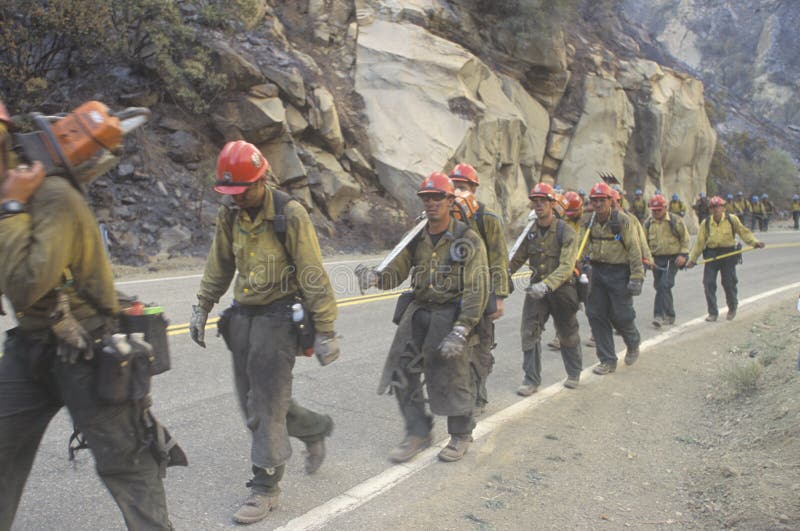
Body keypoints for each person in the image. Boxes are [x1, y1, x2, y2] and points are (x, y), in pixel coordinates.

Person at [0, 100, 177, 530]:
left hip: (88, 348)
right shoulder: (14, 190)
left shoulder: (50, 195)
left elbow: (25, 283)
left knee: (129, 466)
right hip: (32, 348)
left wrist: (11, 210)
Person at [189, 141, 339, 524]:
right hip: (243, 319)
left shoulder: (290, 213)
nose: (237, 199)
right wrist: (202, 305)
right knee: (251, 402)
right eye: (230, 193)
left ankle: (265, 487)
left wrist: (325, 328)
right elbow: (219, 263)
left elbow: (312, 272)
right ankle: (314, 428)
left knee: (266, 404)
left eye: (243, 191)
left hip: (277, 319)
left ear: (261, 180)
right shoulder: (231, 213)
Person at [356, 172, 488, 463]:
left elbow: (476, 288)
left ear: (450, 200)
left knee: (454, 377)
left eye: (437, 197)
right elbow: (396, 273)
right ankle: (418, 431)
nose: (430, 203)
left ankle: (461, 434)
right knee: (401, 371)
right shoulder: (417, 236)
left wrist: (462, 329)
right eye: (426, 198)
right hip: (418, 312)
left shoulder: (467, 239)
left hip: (450, 314)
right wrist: (375, 277)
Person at [508, 183, 582, 393]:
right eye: (535, 202)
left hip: (561, 289)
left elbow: (567, 266)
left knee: (567, 332)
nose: (538, 205)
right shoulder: (529, 232)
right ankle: (531, 380)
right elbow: (516, 259)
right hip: (536, 291)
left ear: (552, 204)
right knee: (529, 332)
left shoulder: (565, 231)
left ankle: (574, 372)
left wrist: (546, 285)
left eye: (543, 201)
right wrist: (501, 275)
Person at [449, 163, 509, 416]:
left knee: (481, 348)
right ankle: (457, 392)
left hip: (482, 292)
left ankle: (479, 397)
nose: (458, 191)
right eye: (454, 186)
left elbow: (499, 259)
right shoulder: (447, 215)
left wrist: (499, 297)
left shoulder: (487, 218)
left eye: (463, 187)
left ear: (474, 188)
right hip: (454, 292)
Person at [585, 182, 644, 375]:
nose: (598, 204)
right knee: (596, 314)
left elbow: (634, 249)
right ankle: (607, 360)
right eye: (595, 200)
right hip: (597, 271)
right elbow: (581, 246)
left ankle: (633, 342)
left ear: (611, 200)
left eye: (602, 200)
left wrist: (637, 277)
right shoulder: (589, 222)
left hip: (619, 272)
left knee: (622, 315)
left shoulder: (622, 221)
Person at [687, 195, 765, 322]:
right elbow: (699, 243)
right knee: (708, 283)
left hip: (728, 254)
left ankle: (732, 307)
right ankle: (712, 312)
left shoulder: (731, 219)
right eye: (713, 207)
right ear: (710, 210)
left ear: (723, 208)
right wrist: (692, 259)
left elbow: (743, 232)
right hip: (712, 255)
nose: (716, 209)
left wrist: (755, 243)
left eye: (718, 206)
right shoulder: (706, 223)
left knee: (729, 282)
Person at [643, 194, 690, 328]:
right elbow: (643, 244)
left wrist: (683, 255)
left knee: (664, 285)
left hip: (673, 259)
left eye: (659, 210)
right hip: (656, 259)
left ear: (665, 208)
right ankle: (670, 314)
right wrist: (648, 260)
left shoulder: (676, 221)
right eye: (653, 210)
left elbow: (685, 239)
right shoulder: (647, 224)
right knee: (660, 287)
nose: (656, 213)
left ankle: (659, 315)